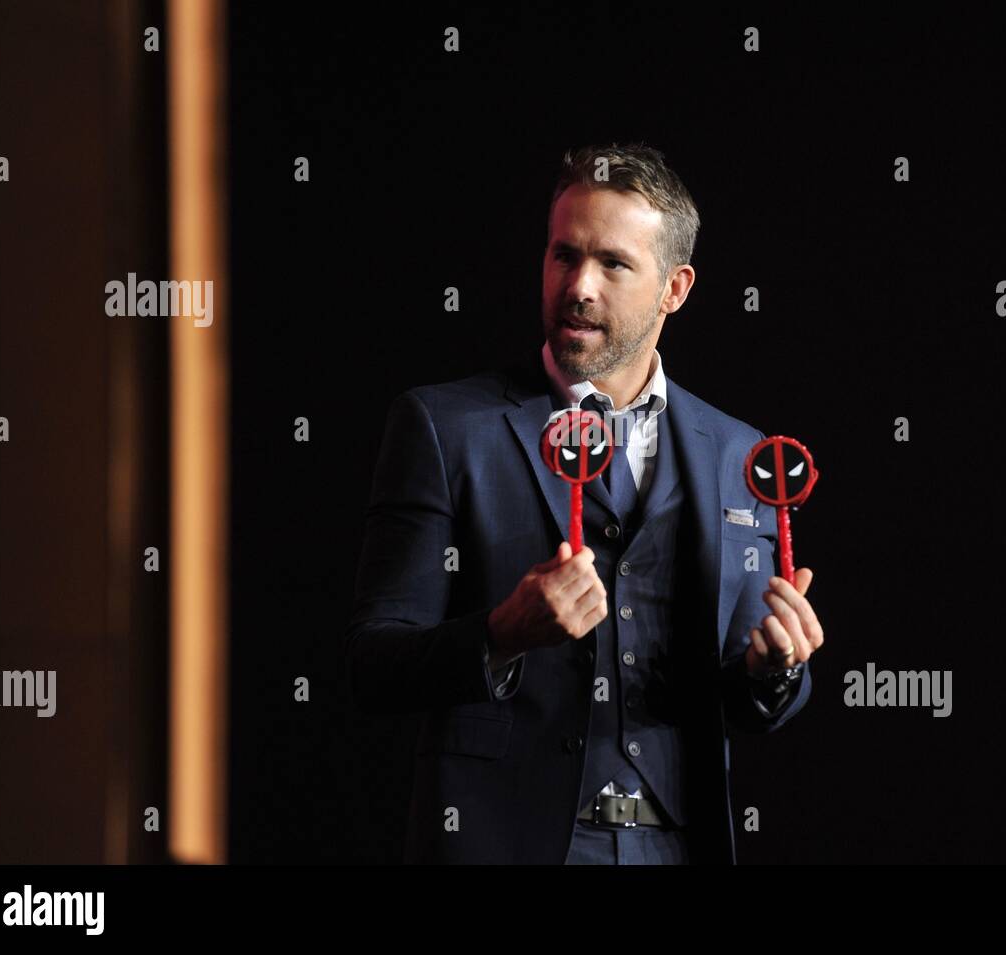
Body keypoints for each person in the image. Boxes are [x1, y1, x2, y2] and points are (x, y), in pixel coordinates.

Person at [344, 143, 825, 864]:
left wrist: (776, 667)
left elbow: (750, 693)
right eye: (563, 255)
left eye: (613, 263)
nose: (578, 287)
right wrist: (501, 632)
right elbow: (372, 663)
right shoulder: (446, 427)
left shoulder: (736, 451)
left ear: (676, 287)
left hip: (676, 846)